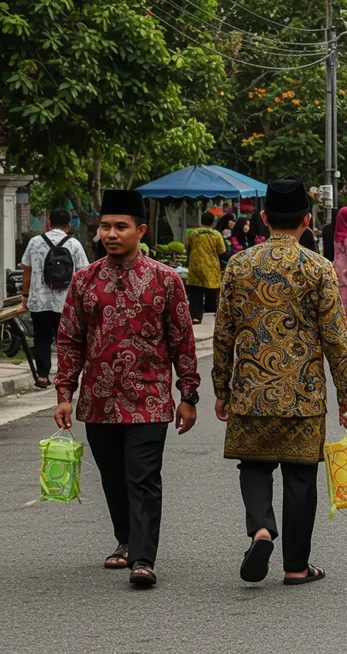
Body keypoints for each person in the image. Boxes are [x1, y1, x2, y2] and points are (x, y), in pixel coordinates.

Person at [212, 177, 347, 587]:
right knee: (299, 476)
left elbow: (223, 333)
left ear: (263, 218)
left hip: (251, 389)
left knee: (254, 466)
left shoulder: (239, 265)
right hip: (302, 394)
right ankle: (296, 566)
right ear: (307, 221)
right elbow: (335, 338)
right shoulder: (318, 267)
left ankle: (260, 528)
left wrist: (220, 388)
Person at [54, 189, 200, 587]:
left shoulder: (166, 280)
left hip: (149, 399)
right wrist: (64, 394)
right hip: (98, 400)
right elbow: (69, 339)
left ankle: (143, 558)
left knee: (143, 476)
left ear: (140, 230)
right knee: (113, 478)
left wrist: (188, 395)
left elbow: (182, 340)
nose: (111, 234)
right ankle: (126, 539)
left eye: (120, 227)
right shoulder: (85, 281)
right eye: (105, 227)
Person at [20, 207, 89, 388]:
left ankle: (42, 376)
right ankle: (65, 377)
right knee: (65, 341)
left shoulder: (35, 242)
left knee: (41, 339)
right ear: (68, 225)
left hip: (39, 302)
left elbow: (26, 270)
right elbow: (83, 273)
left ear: (49, 223)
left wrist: (25, 295)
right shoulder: (74, 244)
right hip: (66, 303)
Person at [185, 211, 227, 325]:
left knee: (196, 293)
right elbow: (222, 250)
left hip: (196, 267)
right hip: (211, 268)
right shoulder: (216, 235)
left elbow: (187, 246)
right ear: (213, 222)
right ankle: (211, 314)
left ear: (201, 220)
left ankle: (196, 317)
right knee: (212, 292)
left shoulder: (193, 233)